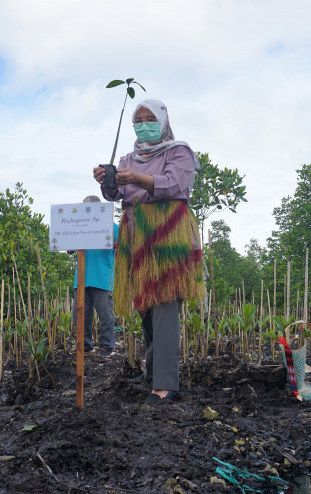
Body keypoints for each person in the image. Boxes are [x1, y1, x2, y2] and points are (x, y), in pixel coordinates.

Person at [93, 99, 204, 405]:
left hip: (168, 233)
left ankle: (165, 385)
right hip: (136, 235)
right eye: (138, 120)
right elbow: (117, 194)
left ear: (163, 121)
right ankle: (155, 373)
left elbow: (174, 184)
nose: (143, 125)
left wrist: (135, 178)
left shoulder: (179, 151)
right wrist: (108, 181)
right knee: (146, 307)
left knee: (165, 305)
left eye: (150, 118)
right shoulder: (129, 157)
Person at [70, 195, 119, 356]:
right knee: (80, 315)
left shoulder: (112, 226)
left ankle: (106, 346)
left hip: (102, 277)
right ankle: (85, 345)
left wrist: (103, 242)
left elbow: (122, 245)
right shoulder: (79, 226)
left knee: (105, 315)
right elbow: (69, 249)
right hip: (81, 278)